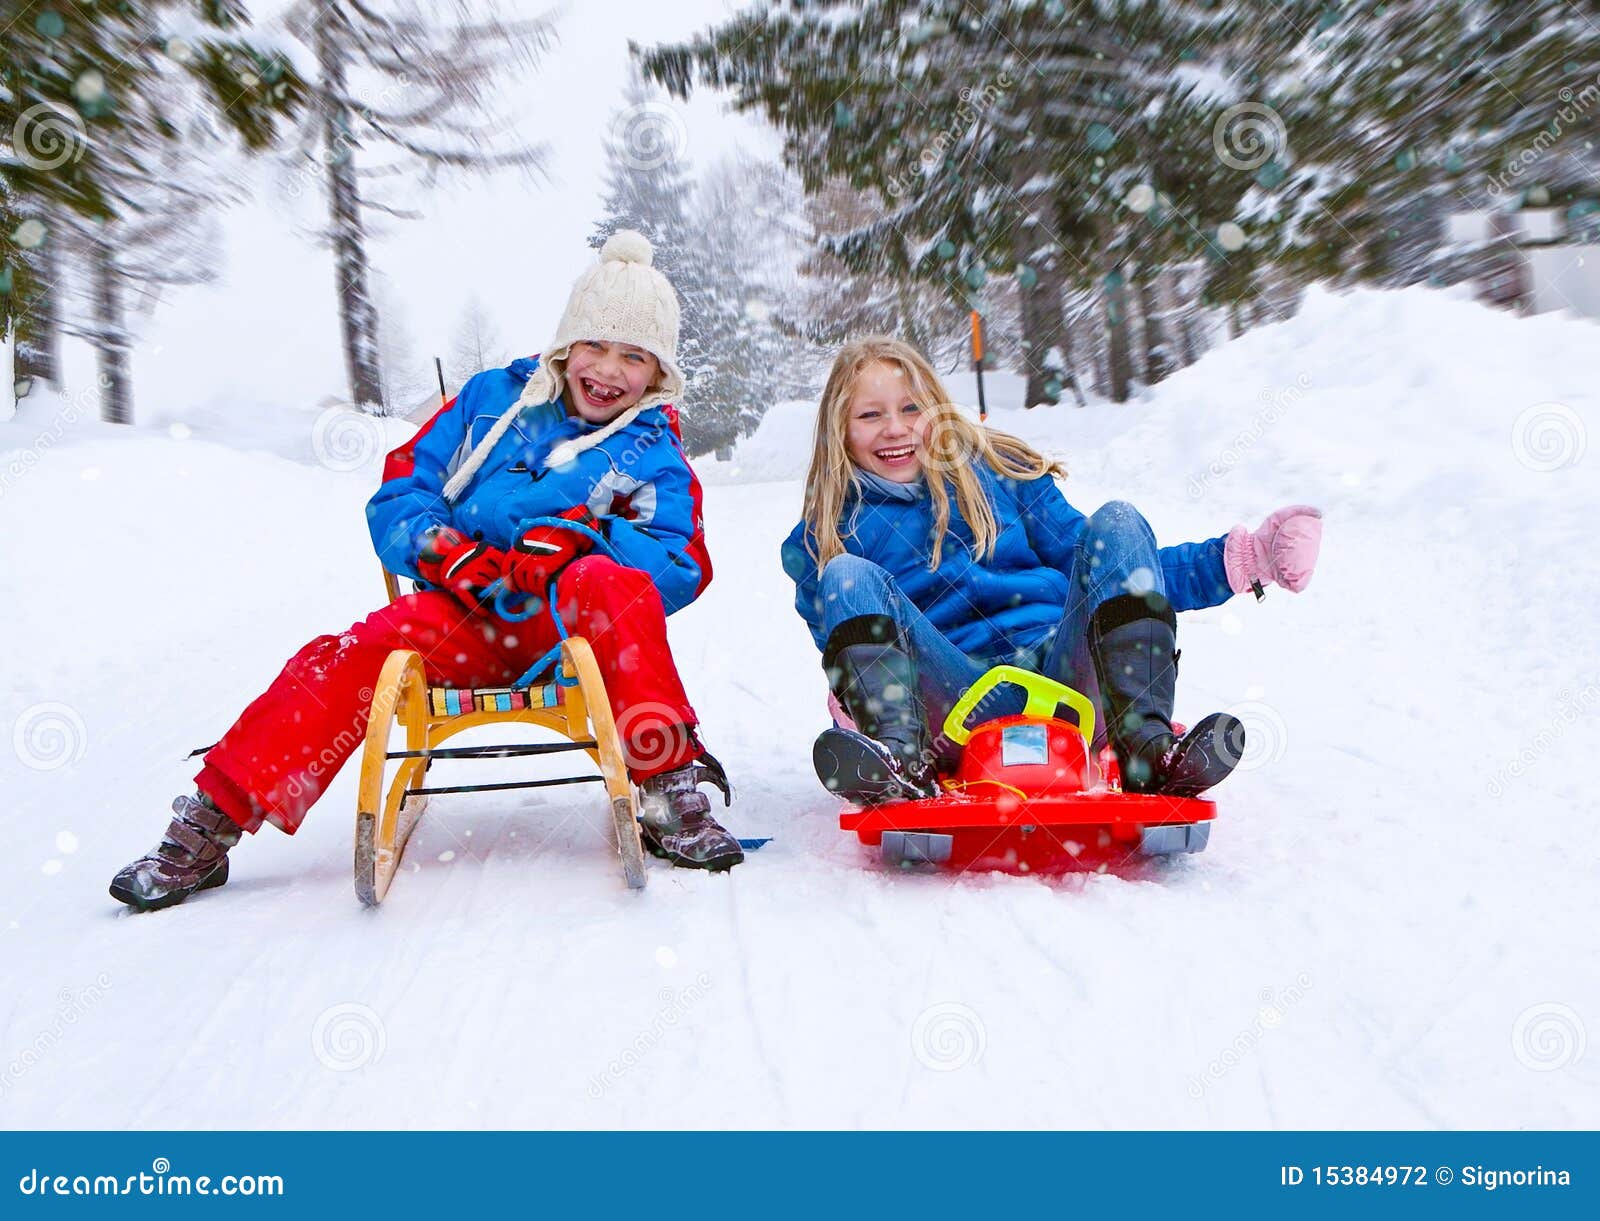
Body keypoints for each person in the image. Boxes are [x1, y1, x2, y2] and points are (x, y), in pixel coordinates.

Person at [111, 231, 742, 912]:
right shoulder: (489, 401)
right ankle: (215, 817)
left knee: (613, 585)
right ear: (566, 343)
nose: (610, 369)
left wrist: (582, 539)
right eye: (596, 344)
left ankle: (668, 787)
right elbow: (401, 495)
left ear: (657, 373)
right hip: (465, 616)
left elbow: (678, 558)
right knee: (356, 651)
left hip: (571, 633)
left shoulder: (650, 446)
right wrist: (448, 553)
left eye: (635, 356)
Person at [781, 336, 1322, 804]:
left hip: (1067, 686)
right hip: (949, 708)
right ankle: (898, 764)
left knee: (1119, 522)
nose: (895, 429)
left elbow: (1119, 573)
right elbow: (848, 654)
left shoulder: (1002, 474)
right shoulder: (823, 537)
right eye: (870, 415)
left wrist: (1245, 560)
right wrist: (857, 712)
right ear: (839, 430)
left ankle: (1148, 750)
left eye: (911, 408)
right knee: (846, 574)